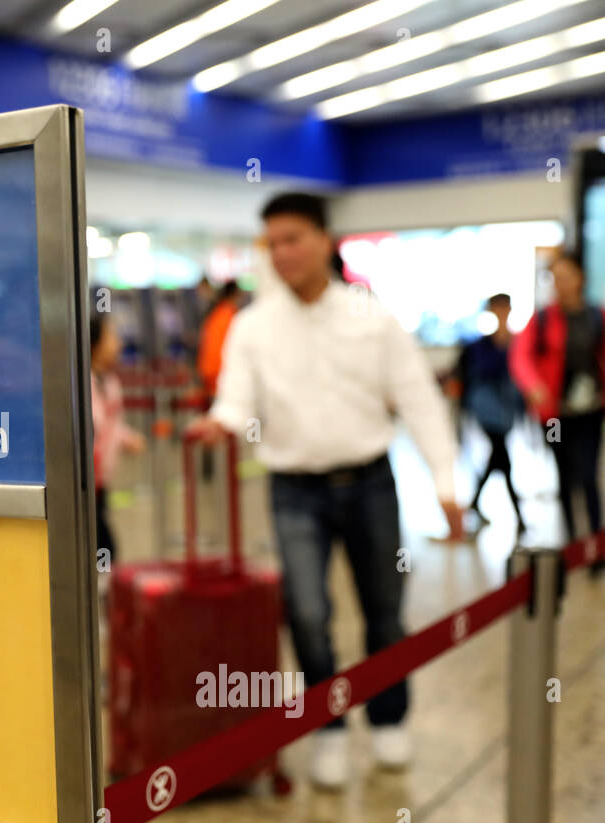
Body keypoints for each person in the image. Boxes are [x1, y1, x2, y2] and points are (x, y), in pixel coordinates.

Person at [186, 192, 463, 790]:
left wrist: (445, 481)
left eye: (293, 239)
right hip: (294, 491)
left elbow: (418, 397)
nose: (283, 253)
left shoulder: (372, 316)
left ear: (323, 240)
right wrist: (220, 424)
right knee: (308, 614)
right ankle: (327, 725)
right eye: (273, 243)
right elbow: (236, 400)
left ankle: (389, 716)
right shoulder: (253, 326)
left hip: (370, 483)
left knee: (383, 608)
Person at [509, 251, 605, 572]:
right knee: (563, 475)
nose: (560, 284)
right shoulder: (542, 319)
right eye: (556, 278)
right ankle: (573, 543)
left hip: (590, 410)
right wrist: (533, 386)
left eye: (566, 277)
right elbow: (520, 357)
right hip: (553, 416)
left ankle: (596, 546)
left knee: (588, 475)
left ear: (580, 278)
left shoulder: (596, 316)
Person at [454, 294, 525, 532]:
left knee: (498, 459)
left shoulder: (518, 342)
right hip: (486, 409)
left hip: (508, 409)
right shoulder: (480, 345)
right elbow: (483, 370)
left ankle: (474, 503)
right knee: (504, 459)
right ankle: (521, 519)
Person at [91, 311, 145, 565]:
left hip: (101, 479)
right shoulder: (81, 384)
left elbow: (111, 425)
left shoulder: (110, 382)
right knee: (104, 545)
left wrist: (127, 438)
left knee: (101, 542)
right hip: (87, 482)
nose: (119, 343)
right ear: (94, 343)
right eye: (111, 336)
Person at [196, 280, 247, 399]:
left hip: (209, 371)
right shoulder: (229, 315)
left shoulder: (217, 311)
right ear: (235, 294)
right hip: (220, 373)